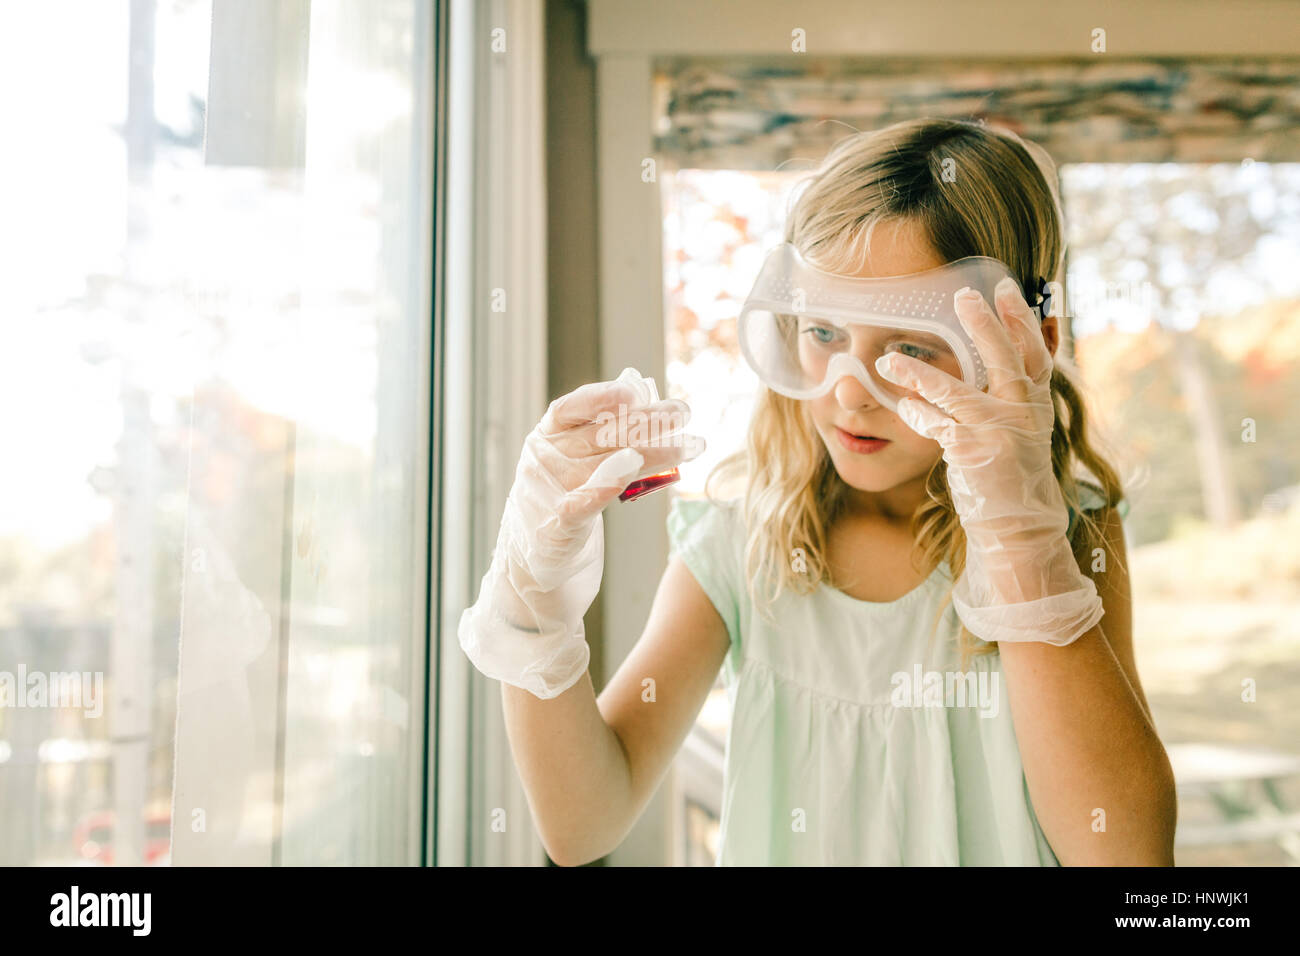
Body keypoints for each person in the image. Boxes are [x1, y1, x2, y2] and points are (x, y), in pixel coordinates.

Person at [459, 117, 1178, 866]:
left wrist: (1022, 539)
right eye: (824, 332)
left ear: (1029, 347)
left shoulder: (1073, 536)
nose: (849, 394)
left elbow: (1125, 855)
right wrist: (532, 604)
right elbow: (582, 826)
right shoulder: (743, 541)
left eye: (908, 348)